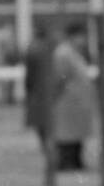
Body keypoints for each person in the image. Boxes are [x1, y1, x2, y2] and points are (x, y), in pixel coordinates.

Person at [51, 21, 93, 171]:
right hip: (66, 101)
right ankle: (65, 162)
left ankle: (76, 161)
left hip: (77, 102)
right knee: (66, 134)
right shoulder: (63, 53)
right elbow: (60, 78)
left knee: (76, 133)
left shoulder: (75, 53)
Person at [22, 22, 53, 159]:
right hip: (48, 91)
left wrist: (28, 90)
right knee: (47, 123)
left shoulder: (33, 49)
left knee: (42, 125)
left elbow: (29, 76)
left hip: (38, 92)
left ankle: (47, 149)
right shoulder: (50, 48)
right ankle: (49, 150)